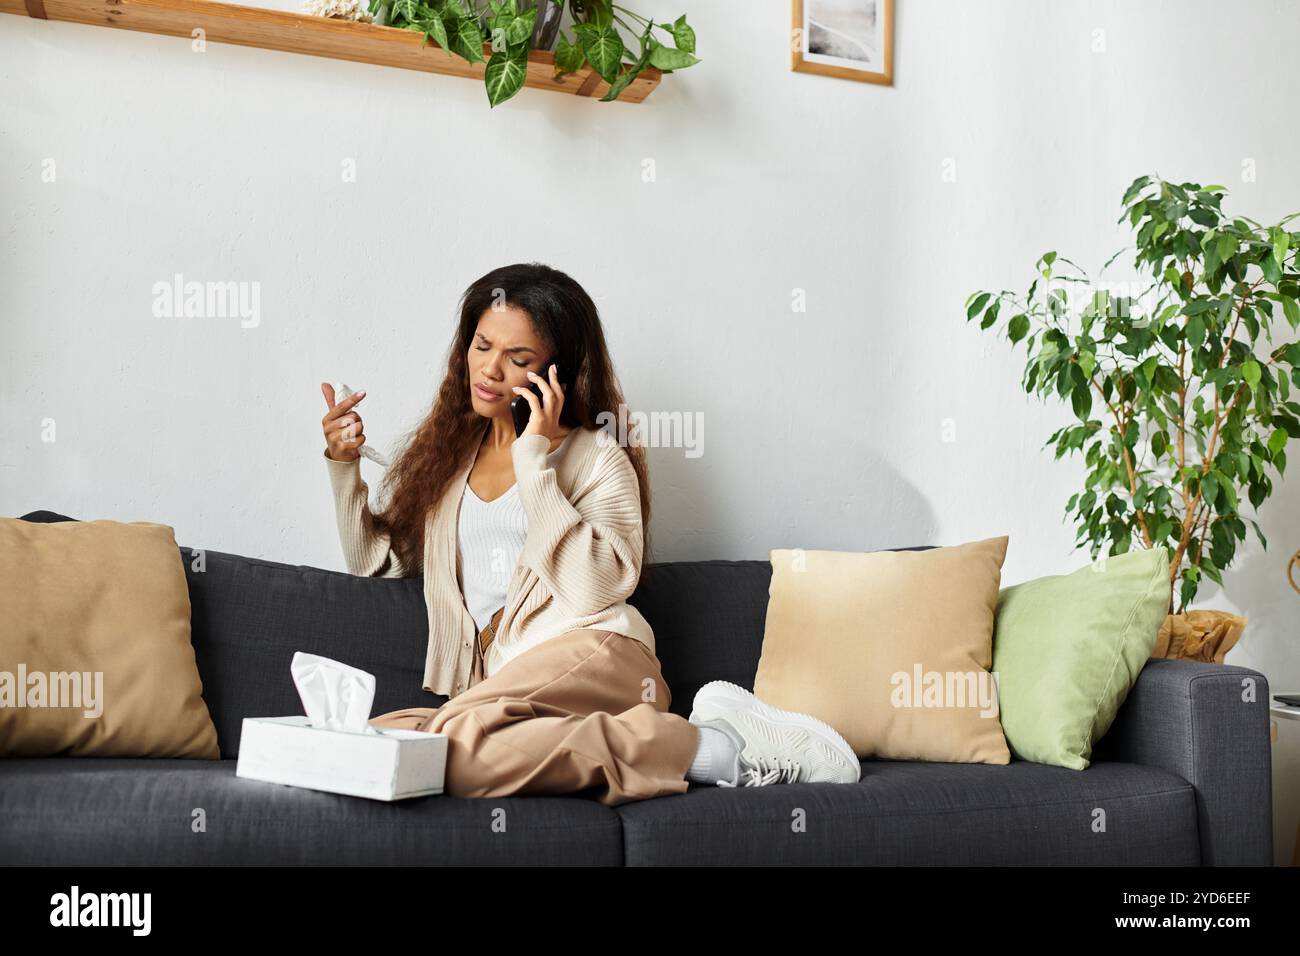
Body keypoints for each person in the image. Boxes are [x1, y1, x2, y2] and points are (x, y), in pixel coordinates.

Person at [319, 262, 860, 807]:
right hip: (501, 690)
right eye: (482, 345)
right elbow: (376, 564)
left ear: (553, 373)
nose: (489, 369)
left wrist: (533, 465)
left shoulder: (598, 457)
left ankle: (704, 746)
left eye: (518, 359)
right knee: (391, 744)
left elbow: (598, 589)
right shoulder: (448, 464)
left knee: (445, 741)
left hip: (598, 653)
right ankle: (708, 742)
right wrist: (344, 466)